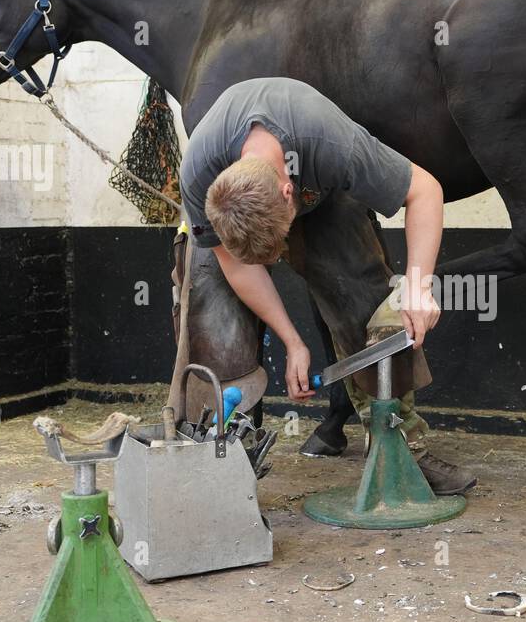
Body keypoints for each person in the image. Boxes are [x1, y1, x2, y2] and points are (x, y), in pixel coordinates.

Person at [179, 76, 476, 495]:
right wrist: (293, 342)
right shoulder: (199, 175)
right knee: (212, 316)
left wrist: (418, 286)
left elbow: (424, 190)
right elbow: (239, 266)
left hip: (323, 190)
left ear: (288, 192)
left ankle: (401, 447)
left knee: (364, 298)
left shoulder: (330, 141)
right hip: (244, 211)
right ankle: (217, 460)